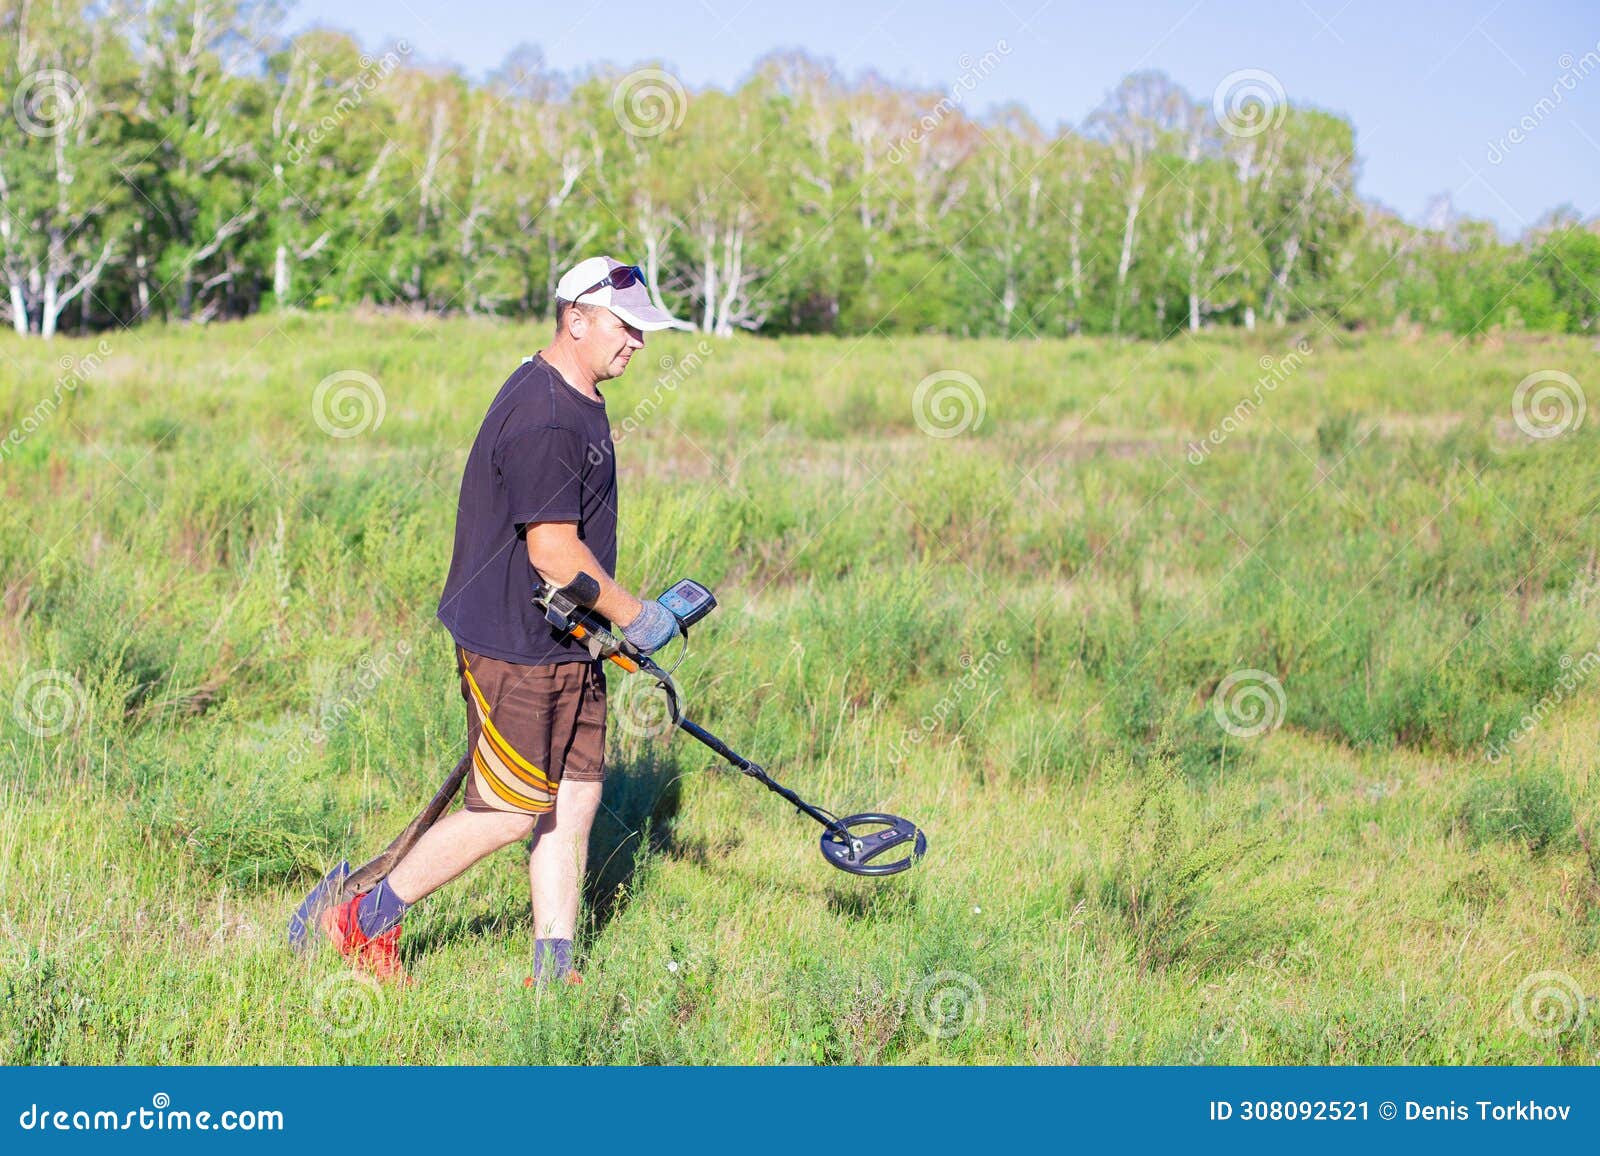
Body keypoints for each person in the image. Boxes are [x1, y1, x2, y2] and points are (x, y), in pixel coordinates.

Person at [317, 256, 685, 986]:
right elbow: (552, 553)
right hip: (517, 645)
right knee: (511, 811)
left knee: (575, 798)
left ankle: (554, 972)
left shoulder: (575, 389)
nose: (638, 342)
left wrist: (607, 624)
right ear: (575, 320)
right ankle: (361, 921)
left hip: (569, 640)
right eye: (626, 326)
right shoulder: (545, 415)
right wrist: (639, 616)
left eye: (645, 330)